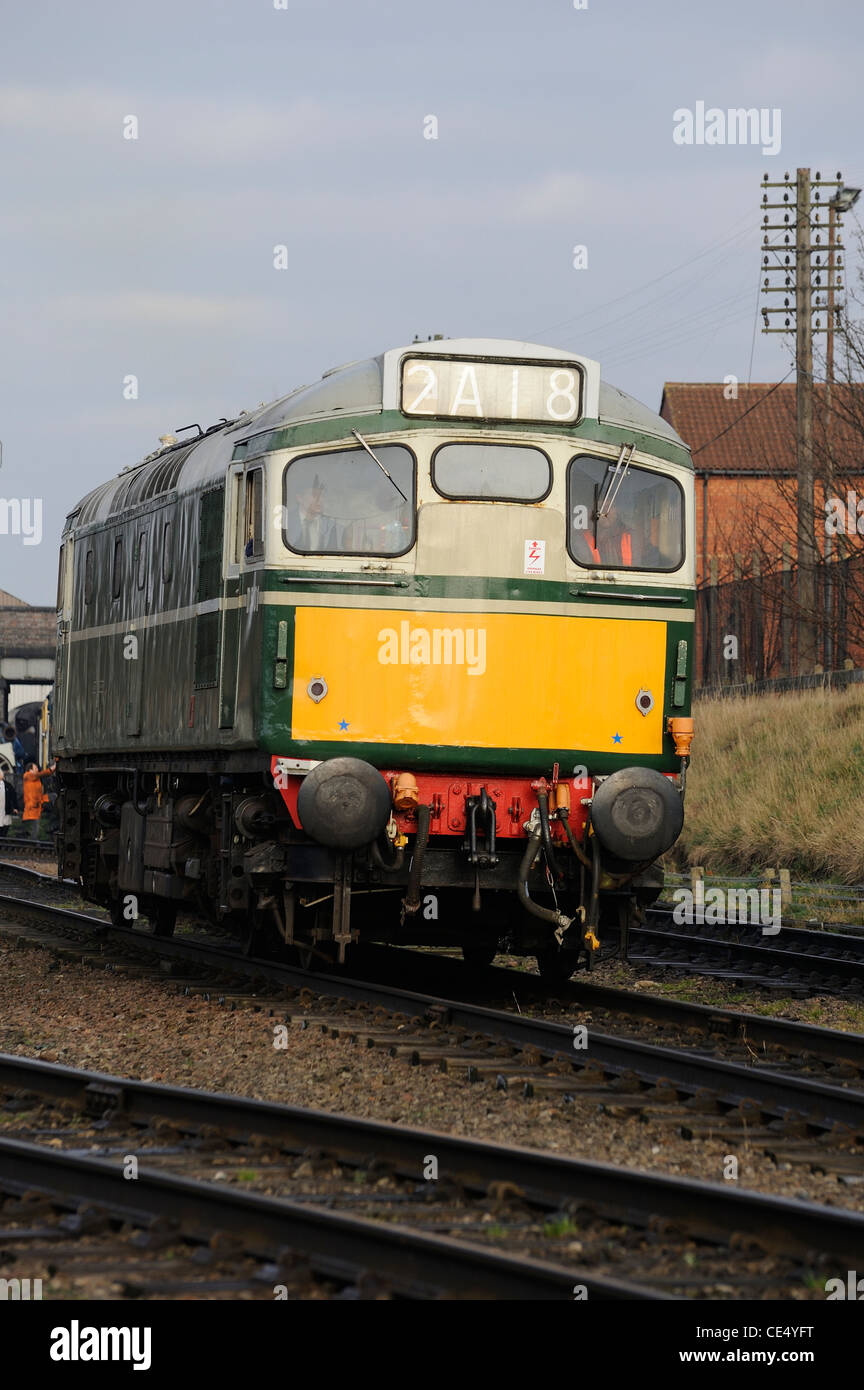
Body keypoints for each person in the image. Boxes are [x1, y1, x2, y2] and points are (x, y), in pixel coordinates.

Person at [22, 761, 54, 839]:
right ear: (30, 770)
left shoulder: (34, 778)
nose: (37, 769)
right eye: (35, 768)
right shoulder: (28, 775)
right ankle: (33, 842)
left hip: (36, 805)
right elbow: (42, 774)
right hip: (32, 807)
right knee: (34, 827)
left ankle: (33, 841)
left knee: (35, 826)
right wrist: (51, 769)